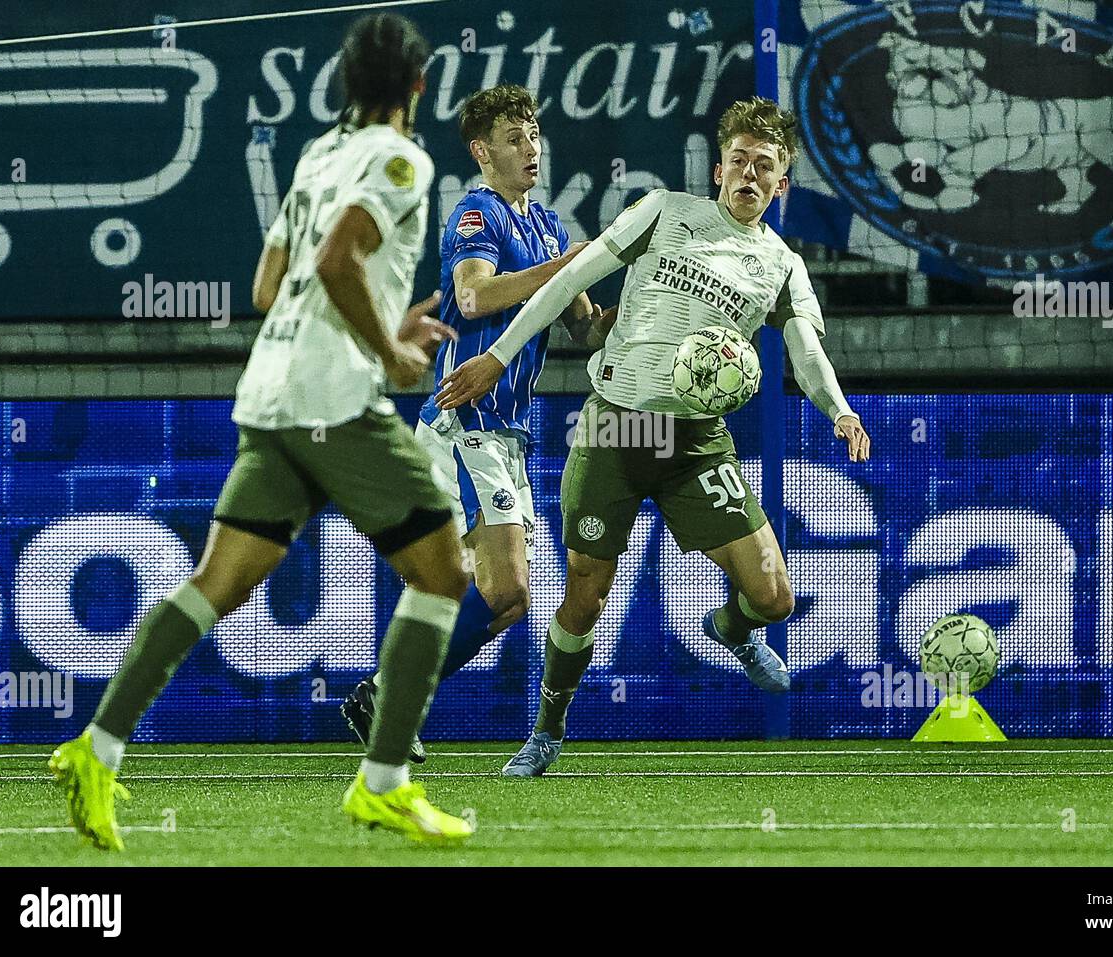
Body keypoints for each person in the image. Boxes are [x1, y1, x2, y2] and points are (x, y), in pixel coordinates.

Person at [48, 13, 472, 847]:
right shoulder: (401, 158)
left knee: (218, 581)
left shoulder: (317, 154)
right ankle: (384, 782)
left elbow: (267, 279)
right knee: (443, 569)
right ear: (418, 88)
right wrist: (388, 349)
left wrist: (375, 320)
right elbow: (334, 263)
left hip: (272, 387)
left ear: (346, 85)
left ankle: (95, 747)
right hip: (329, 401)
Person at [436, 97, 872, 776]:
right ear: (720, 166)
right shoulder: (666, 210)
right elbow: (572, 279)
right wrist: (497, 357)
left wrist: (838, 409)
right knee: (585, 594)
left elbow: (806, 345)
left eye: (766, 166)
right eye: (739, 161)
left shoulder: (781, 264)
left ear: (781, 182)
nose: (749, 176)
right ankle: (547, 731)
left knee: (774, 597)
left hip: (695, 441)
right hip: (614, 426)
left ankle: (731, 630)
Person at [340, 84, 611, 758]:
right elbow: (473, 291)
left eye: (535, 133)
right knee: (509, 586)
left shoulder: (549, 227)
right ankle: (390, 697)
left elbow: (589, 333)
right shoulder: (475, 212)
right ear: (482, 151)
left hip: (506, 436)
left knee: (503, 599)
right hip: (467, 423)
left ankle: (384, 698)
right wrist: (569, 266)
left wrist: (644, 299)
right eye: (516, 136)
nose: (532, 146)